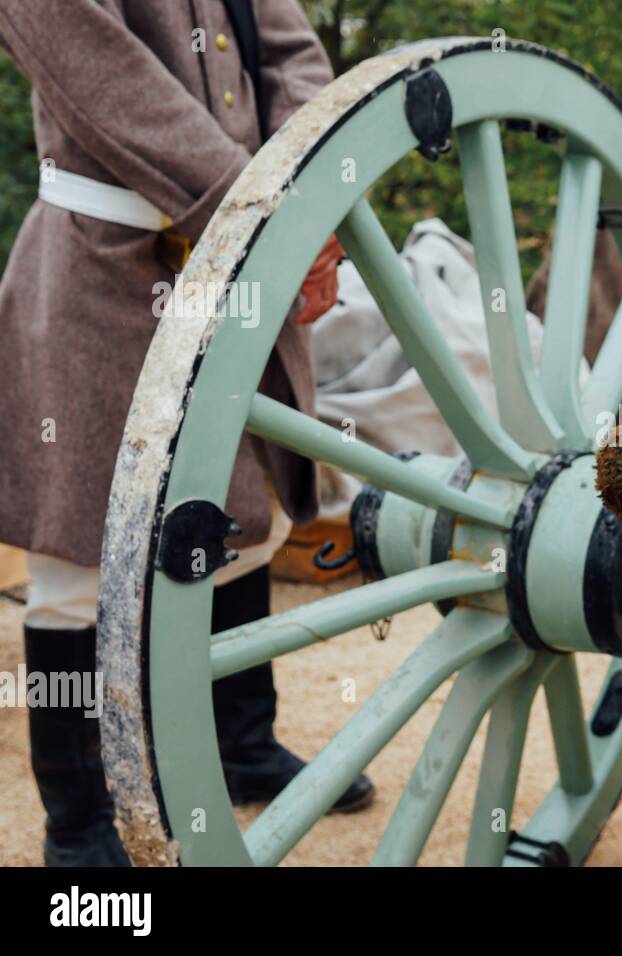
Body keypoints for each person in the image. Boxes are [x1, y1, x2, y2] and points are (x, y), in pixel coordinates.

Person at [0, 0, 372, 867]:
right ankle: (81, 818)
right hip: (107, 266)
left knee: (242, 516)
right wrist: (266, 222)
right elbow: (103, 79)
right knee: (80, 563)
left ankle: (240, 744)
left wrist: (302, 210)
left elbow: (292, 59)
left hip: (247, 250)